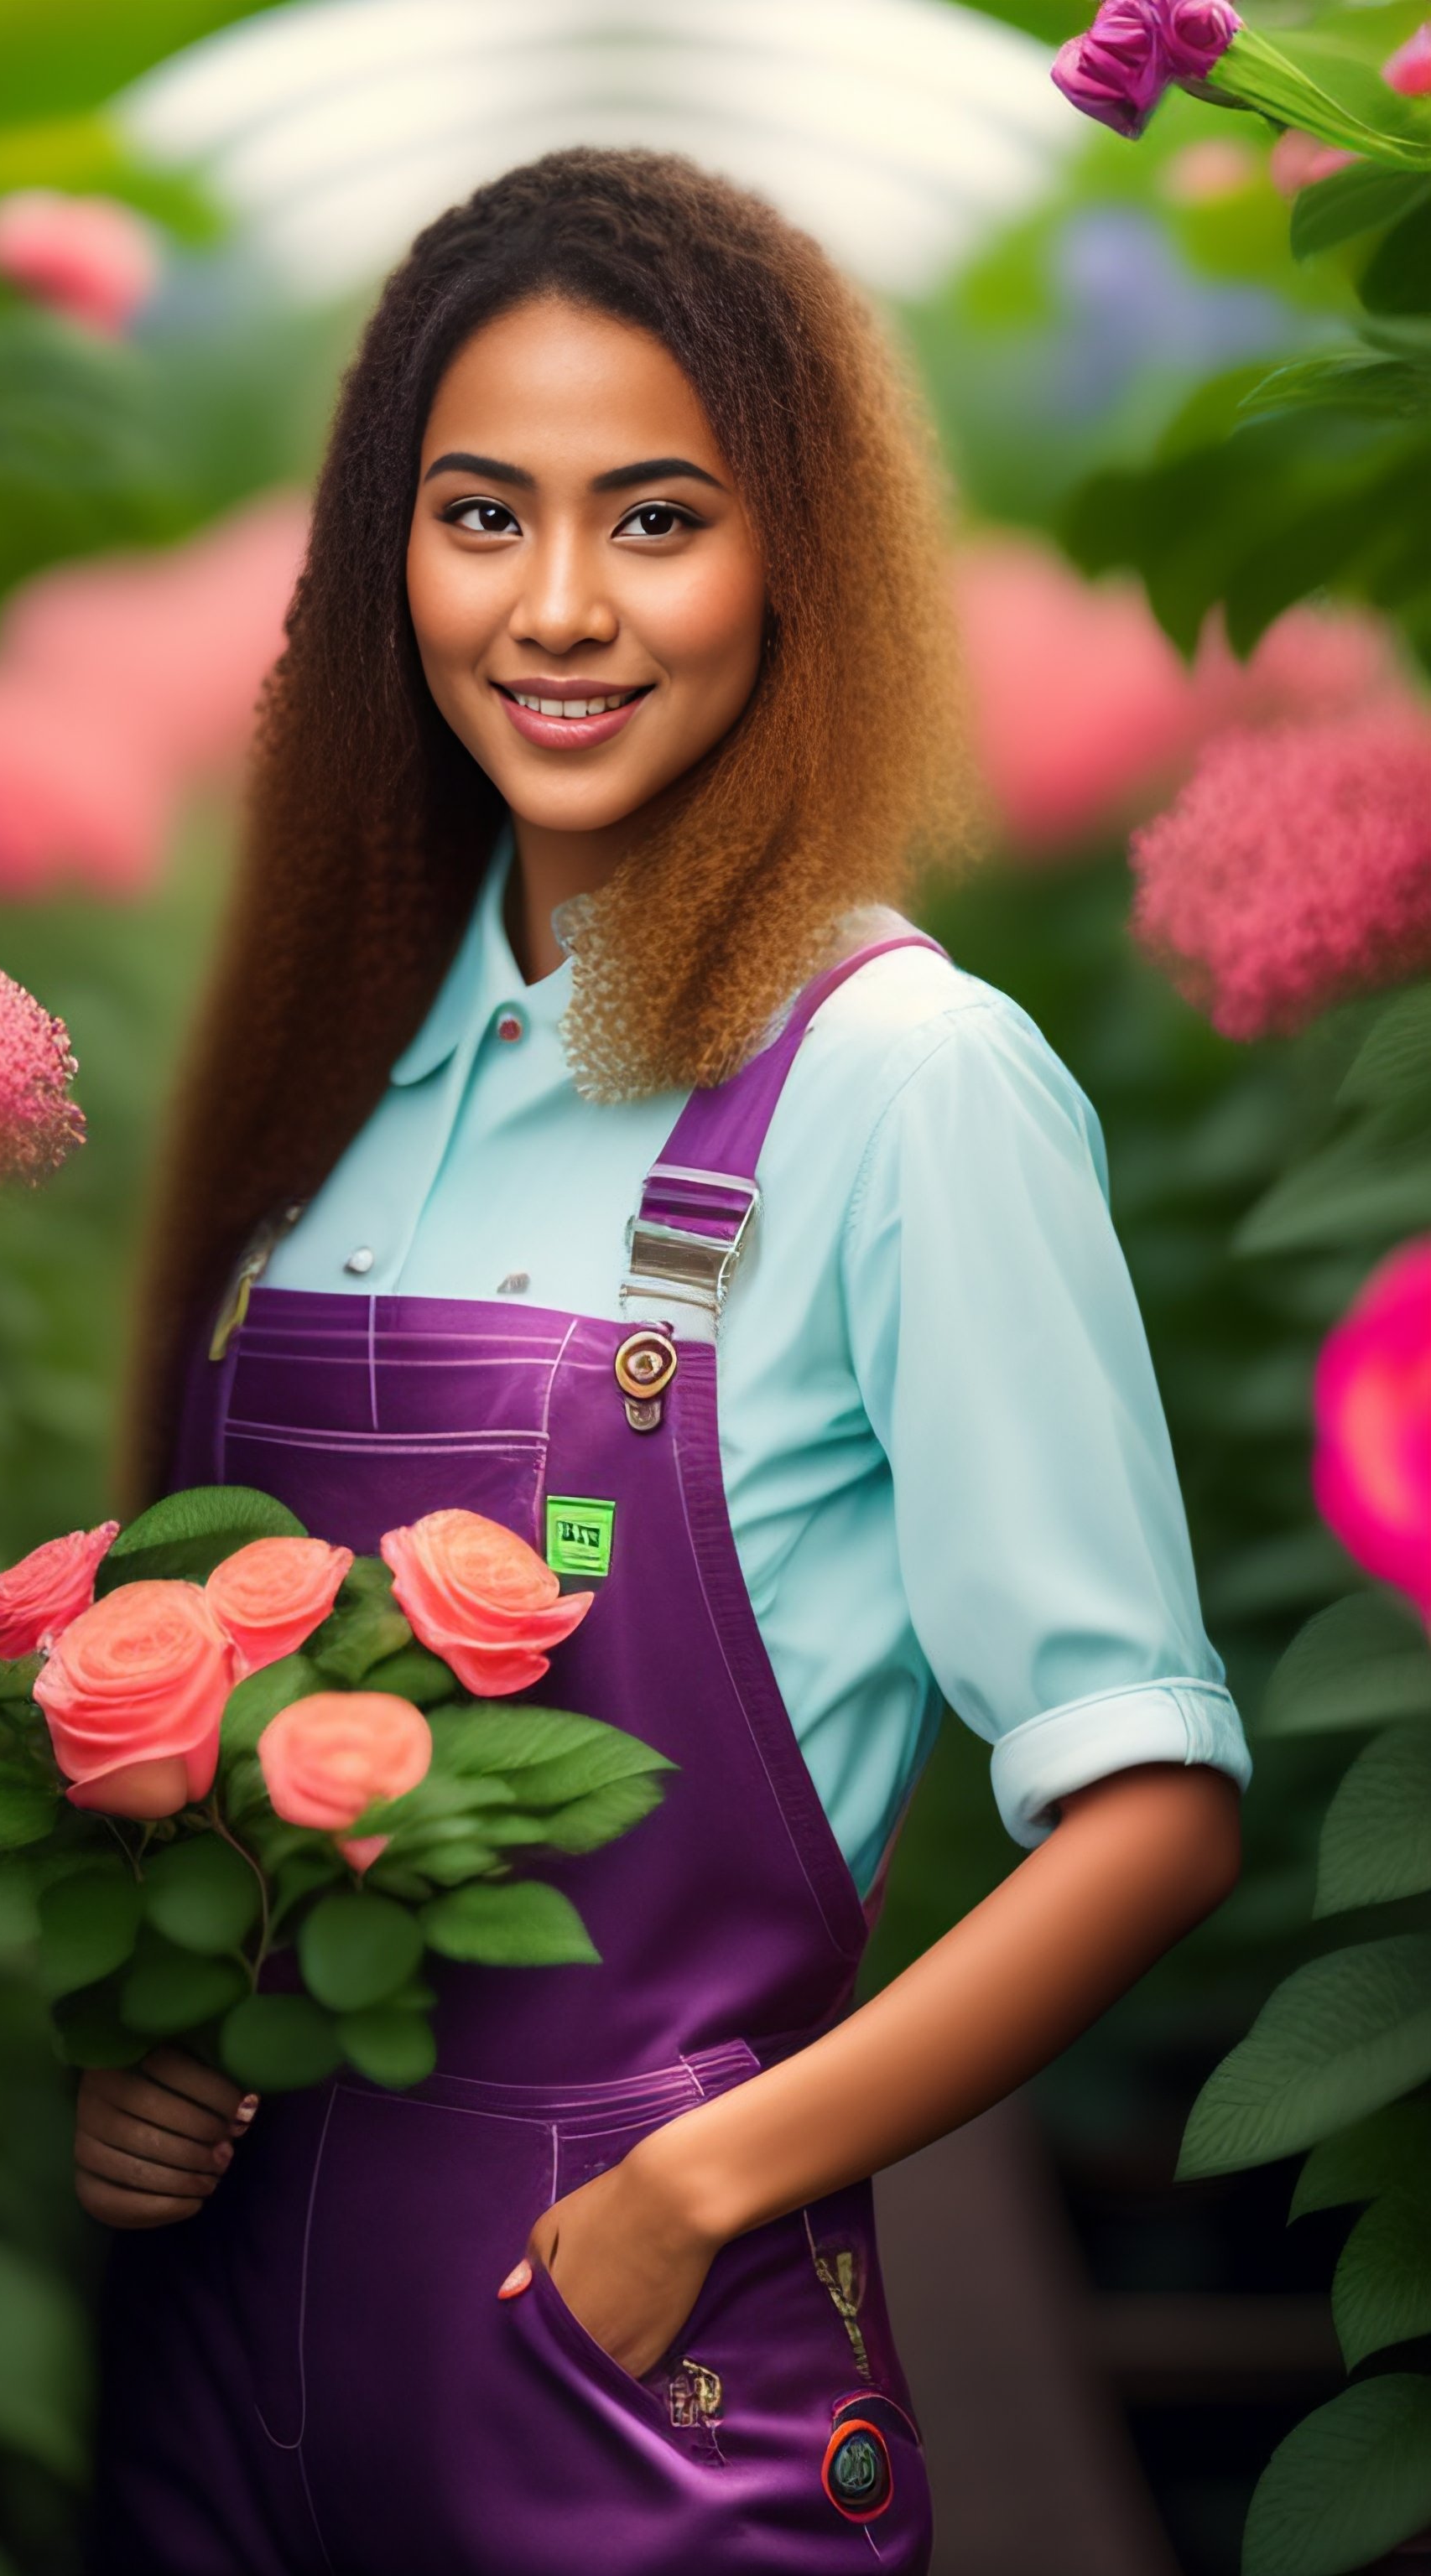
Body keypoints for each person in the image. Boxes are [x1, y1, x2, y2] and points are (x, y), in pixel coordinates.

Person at [82, 147, 1249, 2576]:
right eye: (482, 515)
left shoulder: (903, 1080)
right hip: (208, 2363)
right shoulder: (337, 1087)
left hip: (632, 2372)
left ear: (792, 559)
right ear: (384, 556)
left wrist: (690, 2184)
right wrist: (158, 2050)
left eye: (660, 519)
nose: (560, 609)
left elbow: (1149, 1813)